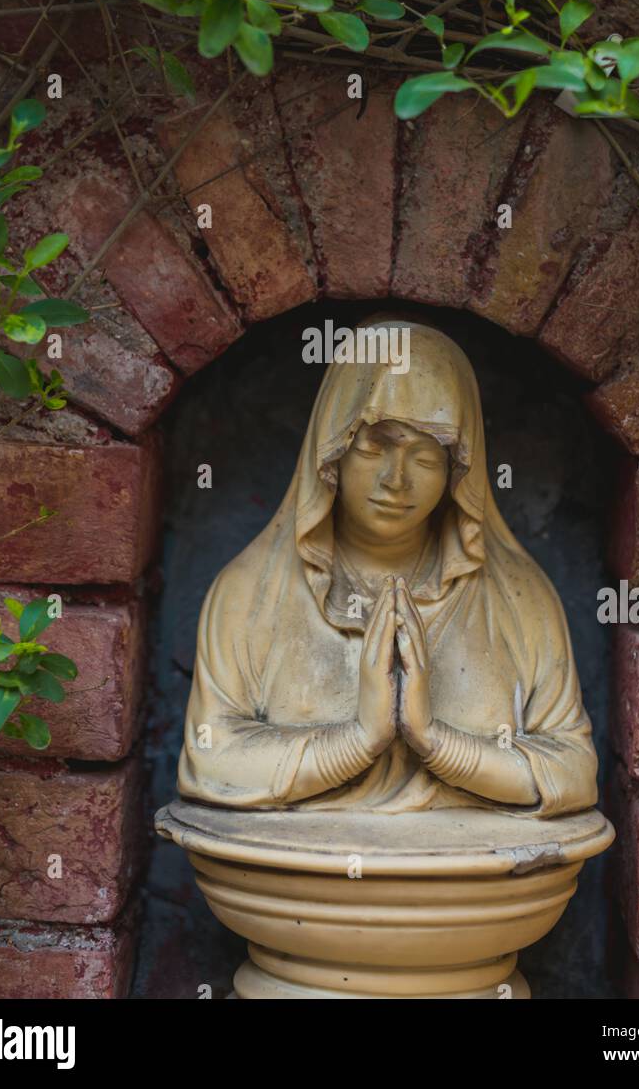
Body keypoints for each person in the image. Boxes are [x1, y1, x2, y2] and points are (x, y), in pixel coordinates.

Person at [178, 319, 599, 817]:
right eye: (374, 446)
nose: (395, 479)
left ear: (458, 469)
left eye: (424, 457)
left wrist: (437, 743)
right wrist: (358, 741)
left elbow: (574, 771)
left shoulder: (519, 599)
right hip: (294, 882)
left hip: (478, 882)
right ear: (331, 452)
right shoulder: (249, 595)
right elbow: (210, 760)